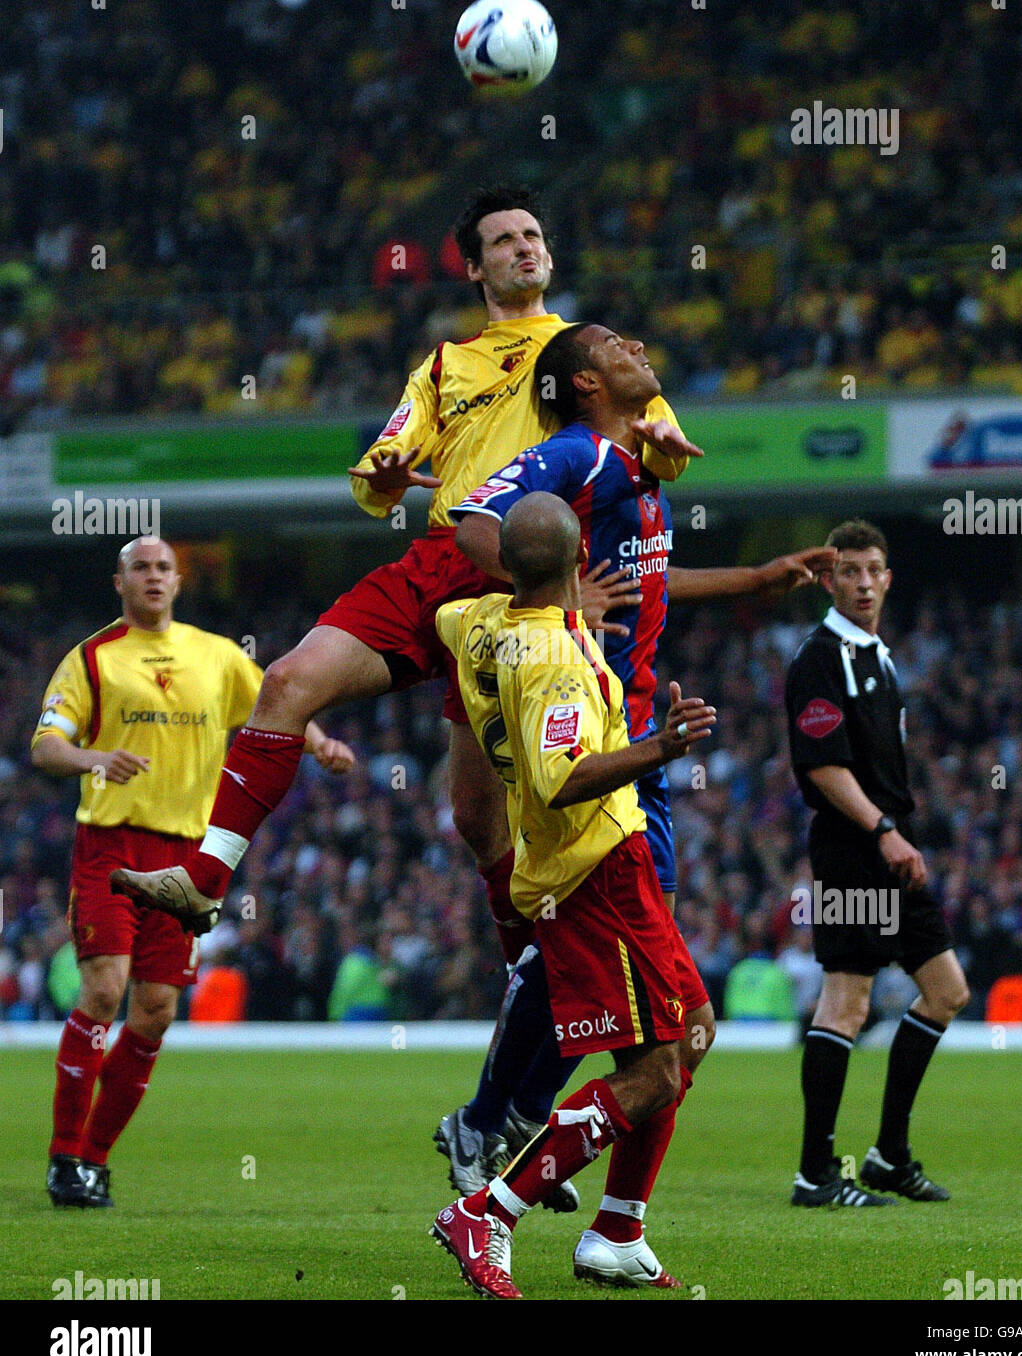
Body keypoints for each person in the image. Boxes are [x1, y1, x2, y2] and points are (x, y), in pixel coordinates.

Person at [109, 188, 693, 962]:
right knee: (285, 683)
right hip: (435, 560)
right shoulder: (445, 365)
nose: (524, 247)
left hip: (513, 584)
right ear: (476, 268)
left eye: (532, 234)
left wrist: (656, 445)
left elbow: (658, 453)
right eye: (504, 240)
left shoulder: (586, 351)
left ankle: (530, 960)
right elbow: (374, 476)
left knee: (479, 818)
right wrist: (384, 474)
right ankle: (206, 877)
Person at [433, 321, 834, 1221]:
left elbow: (649, 581)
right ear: (583, 383)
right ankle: (500, 1121)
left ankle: (535, 1144)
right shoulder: (574, 456)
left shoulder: (634, 475)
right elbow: (472, 524)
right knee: (626, 963)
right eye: (615, 344)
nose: (639, 345)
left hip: (636, 741)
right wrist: (555, 601)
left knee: (623, 964)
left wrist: (759, 579)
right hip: (599, 744)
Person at [432, 492, 716, 1299]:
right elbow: (561, 779)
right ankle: (490, 1209)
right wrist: (657, 747)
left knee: (691, 1030)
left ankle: (619, 1232)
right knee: (660, 1071)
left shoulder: (481, 624)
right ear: (580, 554)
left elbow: (448, 616)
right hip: (597, 871)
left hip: (585, 869)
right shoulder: (553, 657)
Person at [32, 537, 352, 1208]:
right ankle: (64, 1154)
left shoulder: (218, 656)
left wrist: (319, 741)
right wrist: (92, 759)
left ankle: (94, 1159)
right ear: (118, 582)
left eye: (162, 568)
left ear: (179, 581)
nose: (152, 577)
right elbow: (47, 744)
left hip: (189, 860)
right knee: (105, 987)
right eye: (140, 568)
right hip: (111, 847)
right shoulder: (91, 659)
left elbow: (276, 706)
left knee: (153, 1013)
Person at [784, 519, 970, 1207]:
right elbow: (825, 768)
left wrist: (897, 834)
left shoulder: (878, 656)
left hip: (894, 847)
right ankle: (814, 1173)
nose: (863, 583)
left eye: (873, 570)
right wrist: (885, 828)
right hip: (851, 849)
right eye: (850, 571)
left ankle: (890, 1156)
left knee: (947, 990)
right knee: (847, 1002)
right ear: (830, 579)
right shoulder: (819, 658)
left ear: (888, 577)